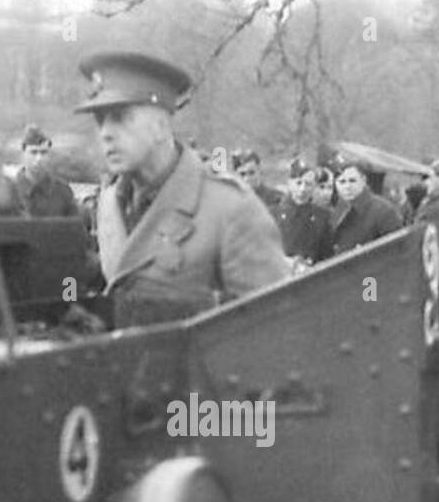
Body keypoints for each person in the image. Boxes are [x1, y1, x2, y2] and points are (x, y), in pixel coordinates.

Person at [75, 50, 291, 327]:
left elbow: (274, 325)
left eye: (119, 117)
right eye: (100, 119)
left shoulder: (230, 207)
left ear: (160, 127)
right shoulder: (109, 202)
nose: (105, 132)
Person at [329, 158, 404, 255]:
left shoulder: (384, 211)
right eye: (342, 182)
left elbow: (397, 251)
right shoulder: (336, 212)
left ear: (363, 180)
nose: (347, 187)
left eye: (352, 181)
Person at [273, 157, 333, 263]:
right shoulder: (274, 214)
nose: (303, 189)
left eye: (308, 184)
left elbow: (327, 256)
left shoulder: (323, 217)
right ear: (290, 184)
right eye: (298, 183)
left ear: (314, 186)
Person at [15, 123, 78, 217]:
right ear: (23, 153)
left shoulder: (63, 192)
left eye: (43, 153)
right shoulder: (9, 192)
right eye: (33, 152)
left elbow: (74, 228)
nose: (39, 159)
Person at [232, 149, 283, 215]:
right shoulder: (232, 204)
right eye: (242, 174)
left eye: (251, 173)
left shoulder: (277, 199)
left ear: (260, 171)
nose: (247, 179)